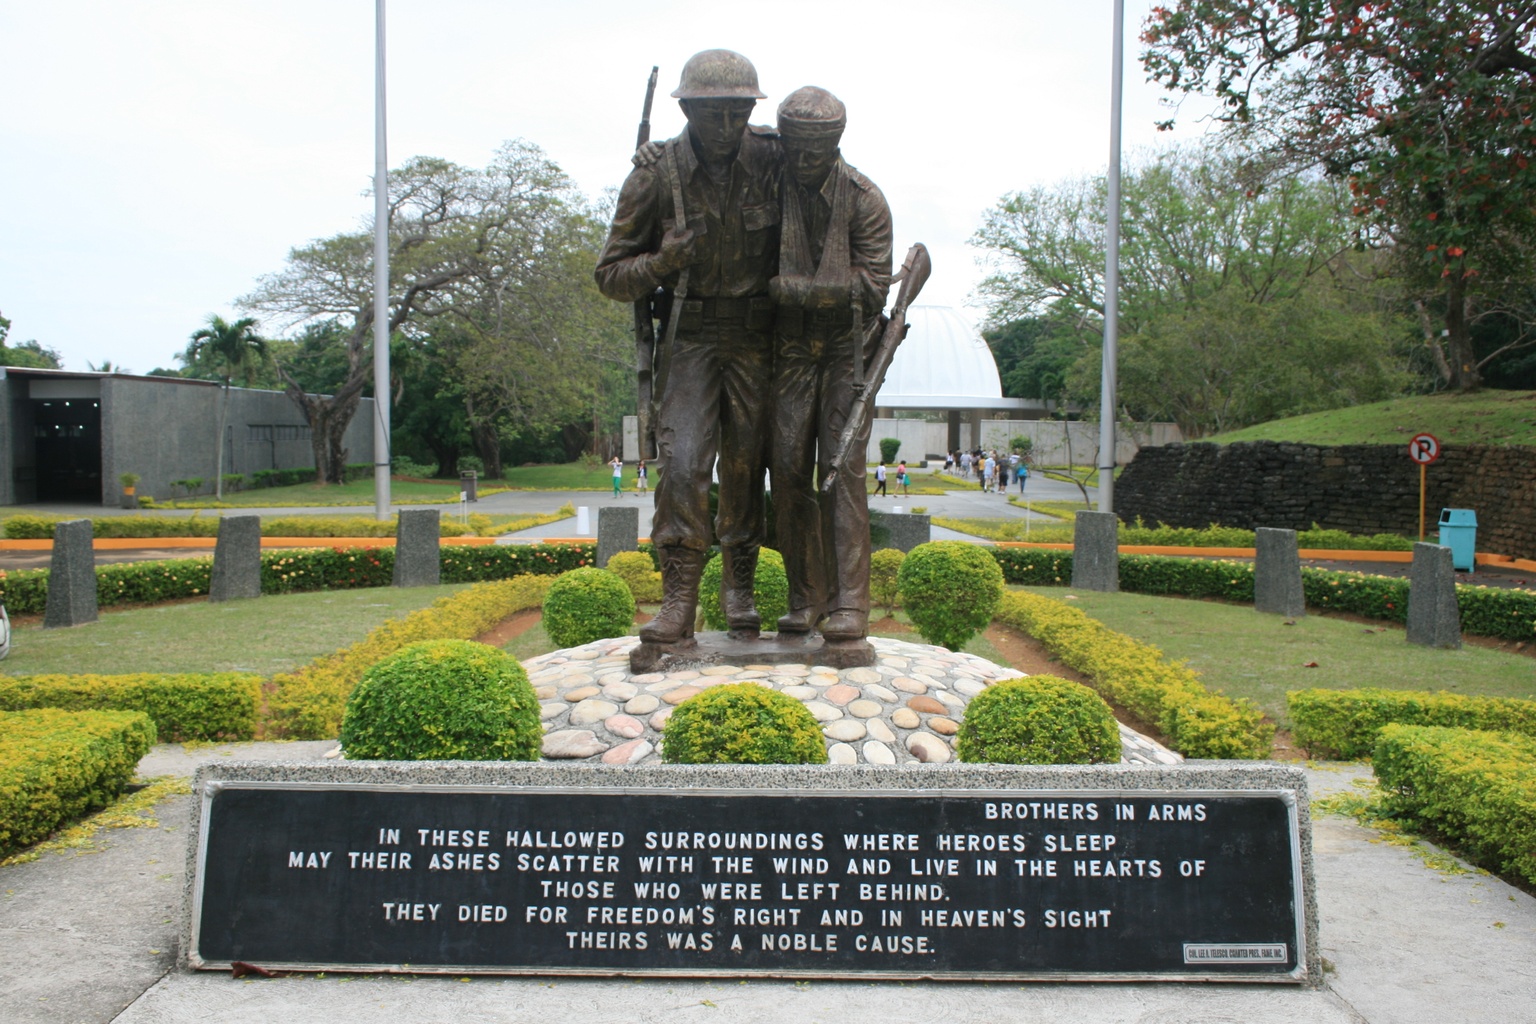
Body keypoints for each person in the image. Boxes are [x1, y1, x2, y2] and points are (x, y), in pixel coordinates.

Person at [595, 49, 781, 643]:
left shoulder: (776, 161)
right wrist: (662, 261)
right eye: (713, 114)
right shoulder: (654, 175)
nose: (727, 127)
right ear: (689, 110)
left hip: (757, 336)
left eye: (738, 112)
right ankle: (678, 597)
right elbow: (611, 274)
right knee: (681, 467)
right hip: (689, 336)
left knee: (749, 468)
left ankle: (740, 589)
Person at [768, 86, 894, 641]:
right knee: (788, 469)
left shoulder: (865, 199)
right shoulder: (771, 186)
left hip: (848, 351)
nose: (800, 160)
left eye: (812, 151)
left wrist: (796, 292)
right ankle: (806, 596)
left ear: (834, 143)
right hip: (790, 352)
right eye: (792, 147)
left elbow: (872, 290)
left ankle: (850, 604)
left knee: (841, 471)